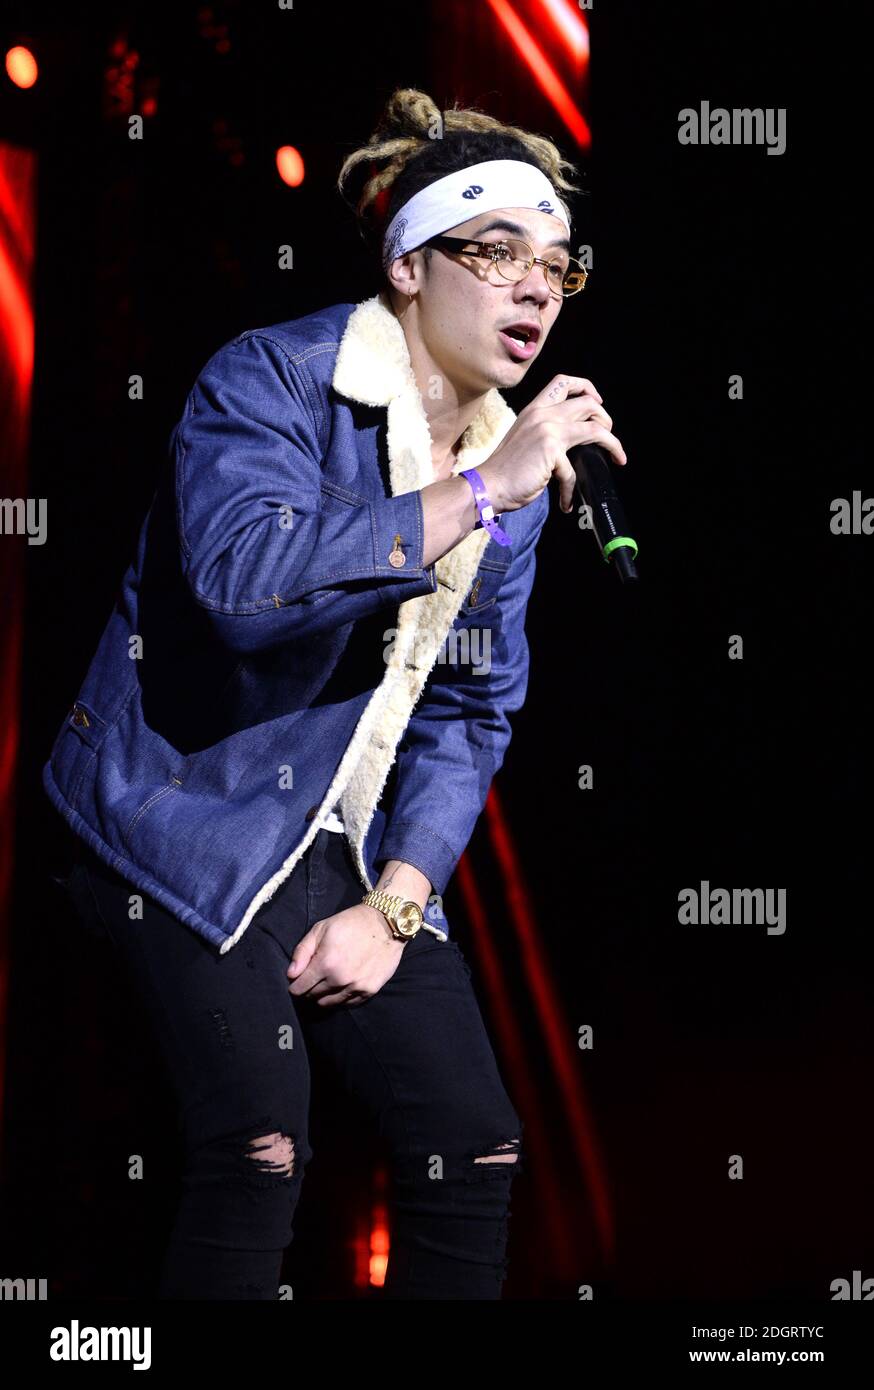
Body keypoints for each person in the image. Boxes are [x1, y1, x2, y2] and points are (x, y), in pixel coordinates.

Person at [45, 86, 626, 1300]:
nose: (534, 288)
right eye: (499, 253)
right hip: (177, 810)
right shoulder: (273, 379)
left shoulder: (507, 464)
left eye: (557, 268)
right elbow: (240, 582)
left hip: (338, 838)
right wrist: (482, 492)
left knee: (476, 1140)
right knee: (262, 1148)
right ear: (409, 265)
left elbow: (469, 713)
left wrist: (397, 906)